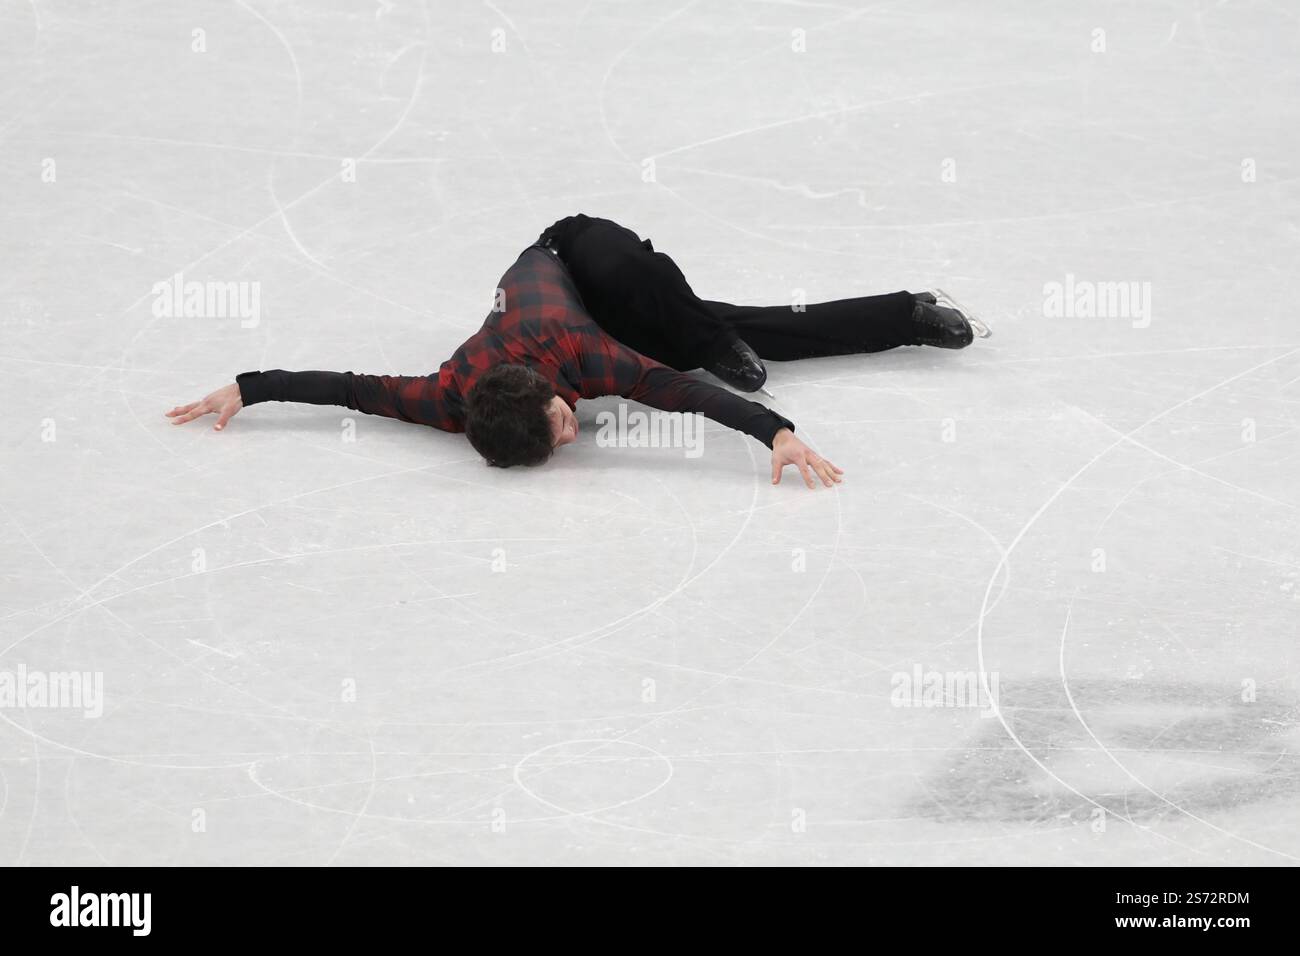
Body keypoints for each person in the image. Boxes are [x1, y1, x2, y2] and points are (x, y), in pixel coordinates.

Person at [166, 214, 988, 489]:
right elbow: (346, 388)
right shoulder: (447, 401)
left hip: (575, 253)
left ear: (556, 394)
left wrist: (774, 429)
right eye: (568, 439)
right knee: (732, 326)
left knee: (651, 295)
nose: (575, 435)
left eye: (564, 427)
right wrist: (252, 387)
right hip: (603, 318)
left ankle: (711, 337)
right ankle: (908, 313)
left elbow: (689, 397)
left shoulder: (586, 357)